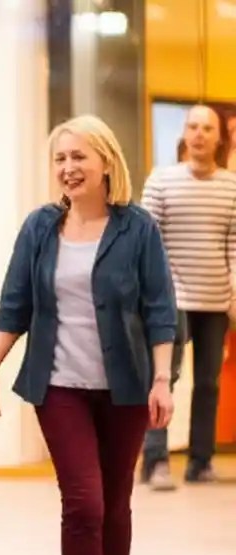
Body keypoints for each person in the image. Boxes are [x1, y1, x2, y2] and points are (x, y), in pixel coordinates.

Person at [0, 115, 176, 555]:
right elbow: (13, 305)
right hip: (59, 386)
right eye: (60, 158)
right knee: (83, 503)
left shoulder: (137, 229)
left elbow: (160, 309)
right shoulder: (40, 228)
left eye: (79, 157)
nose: (68, 168)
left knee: (115, 505)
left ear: (106, 162)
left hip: (128, 388)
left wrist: (162, 379)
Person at [138, 104, 235, 489]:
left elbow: (233, 244)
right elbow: (148, 241)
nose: (199, 134)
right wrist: (152, 293)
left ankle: (200, 462)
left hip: (215, 298)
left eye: (207, 128)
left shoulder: (231, 186)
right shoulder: (161, 181)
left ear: (218, 137)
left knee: (209, 383)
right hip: (171, 298)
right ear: (184, 133)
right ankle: (156, 461)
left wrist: (232, 292)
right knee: (165, 377)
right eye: (192, 126)